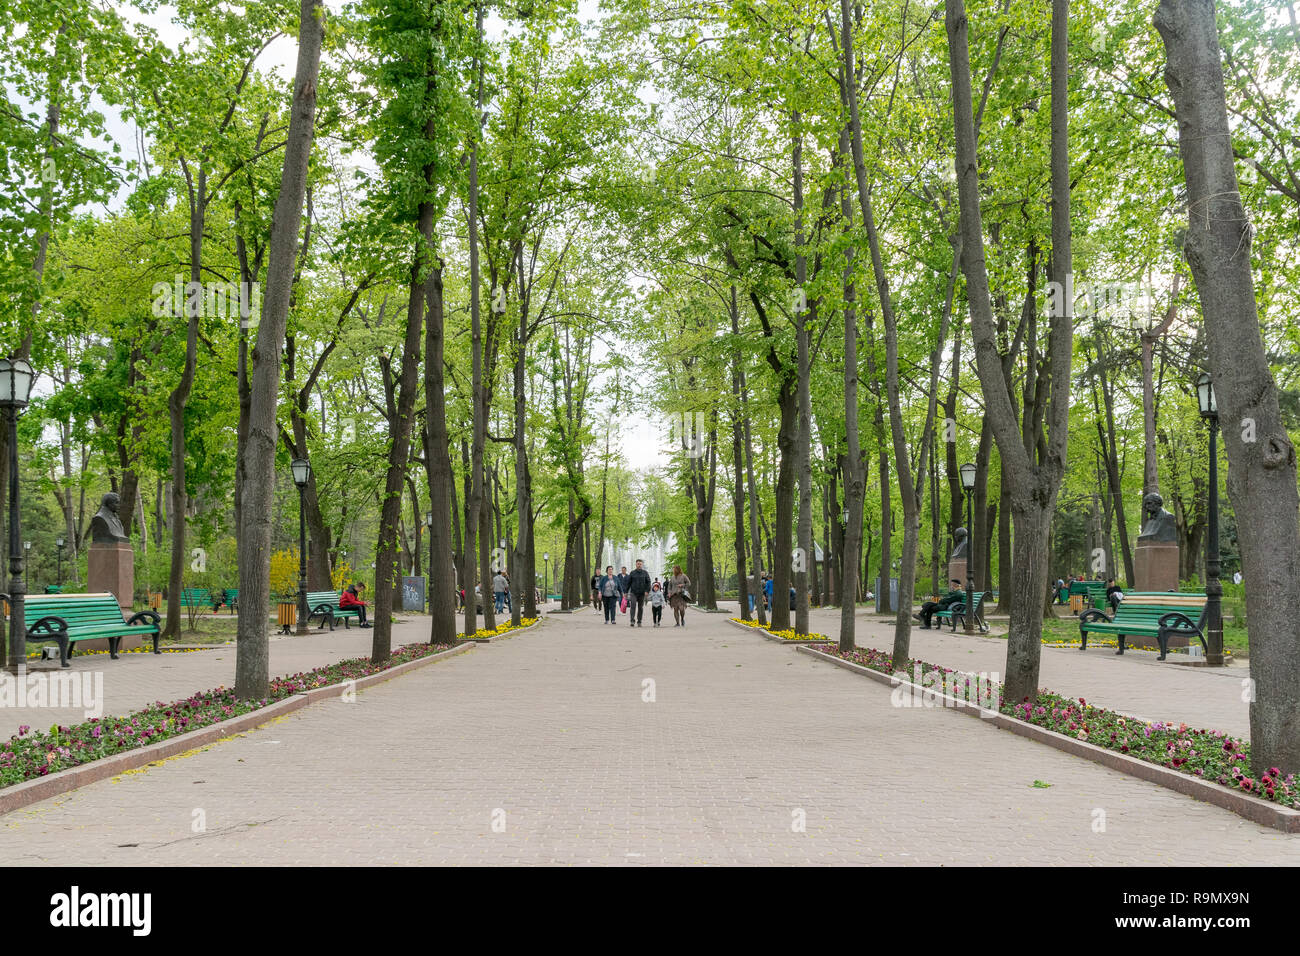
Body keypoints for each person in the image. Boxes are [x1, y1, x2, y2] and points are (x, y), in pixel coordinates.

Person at [627, 559, 652, 627]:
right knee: (633, 605)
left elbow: (648, 582)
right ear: (636, 564)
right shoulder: (632, 573)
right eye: (638, 564)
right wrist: (626, 592)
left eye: (640, 564)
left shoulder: (645, 573)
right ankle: (632, 620)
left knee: (640, 607)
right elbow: (628, 583)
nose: (639, 565)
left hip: (642, 593)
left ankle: (639, 621)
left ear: (642, 565)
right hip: (633, 593)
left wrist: (647, 591)